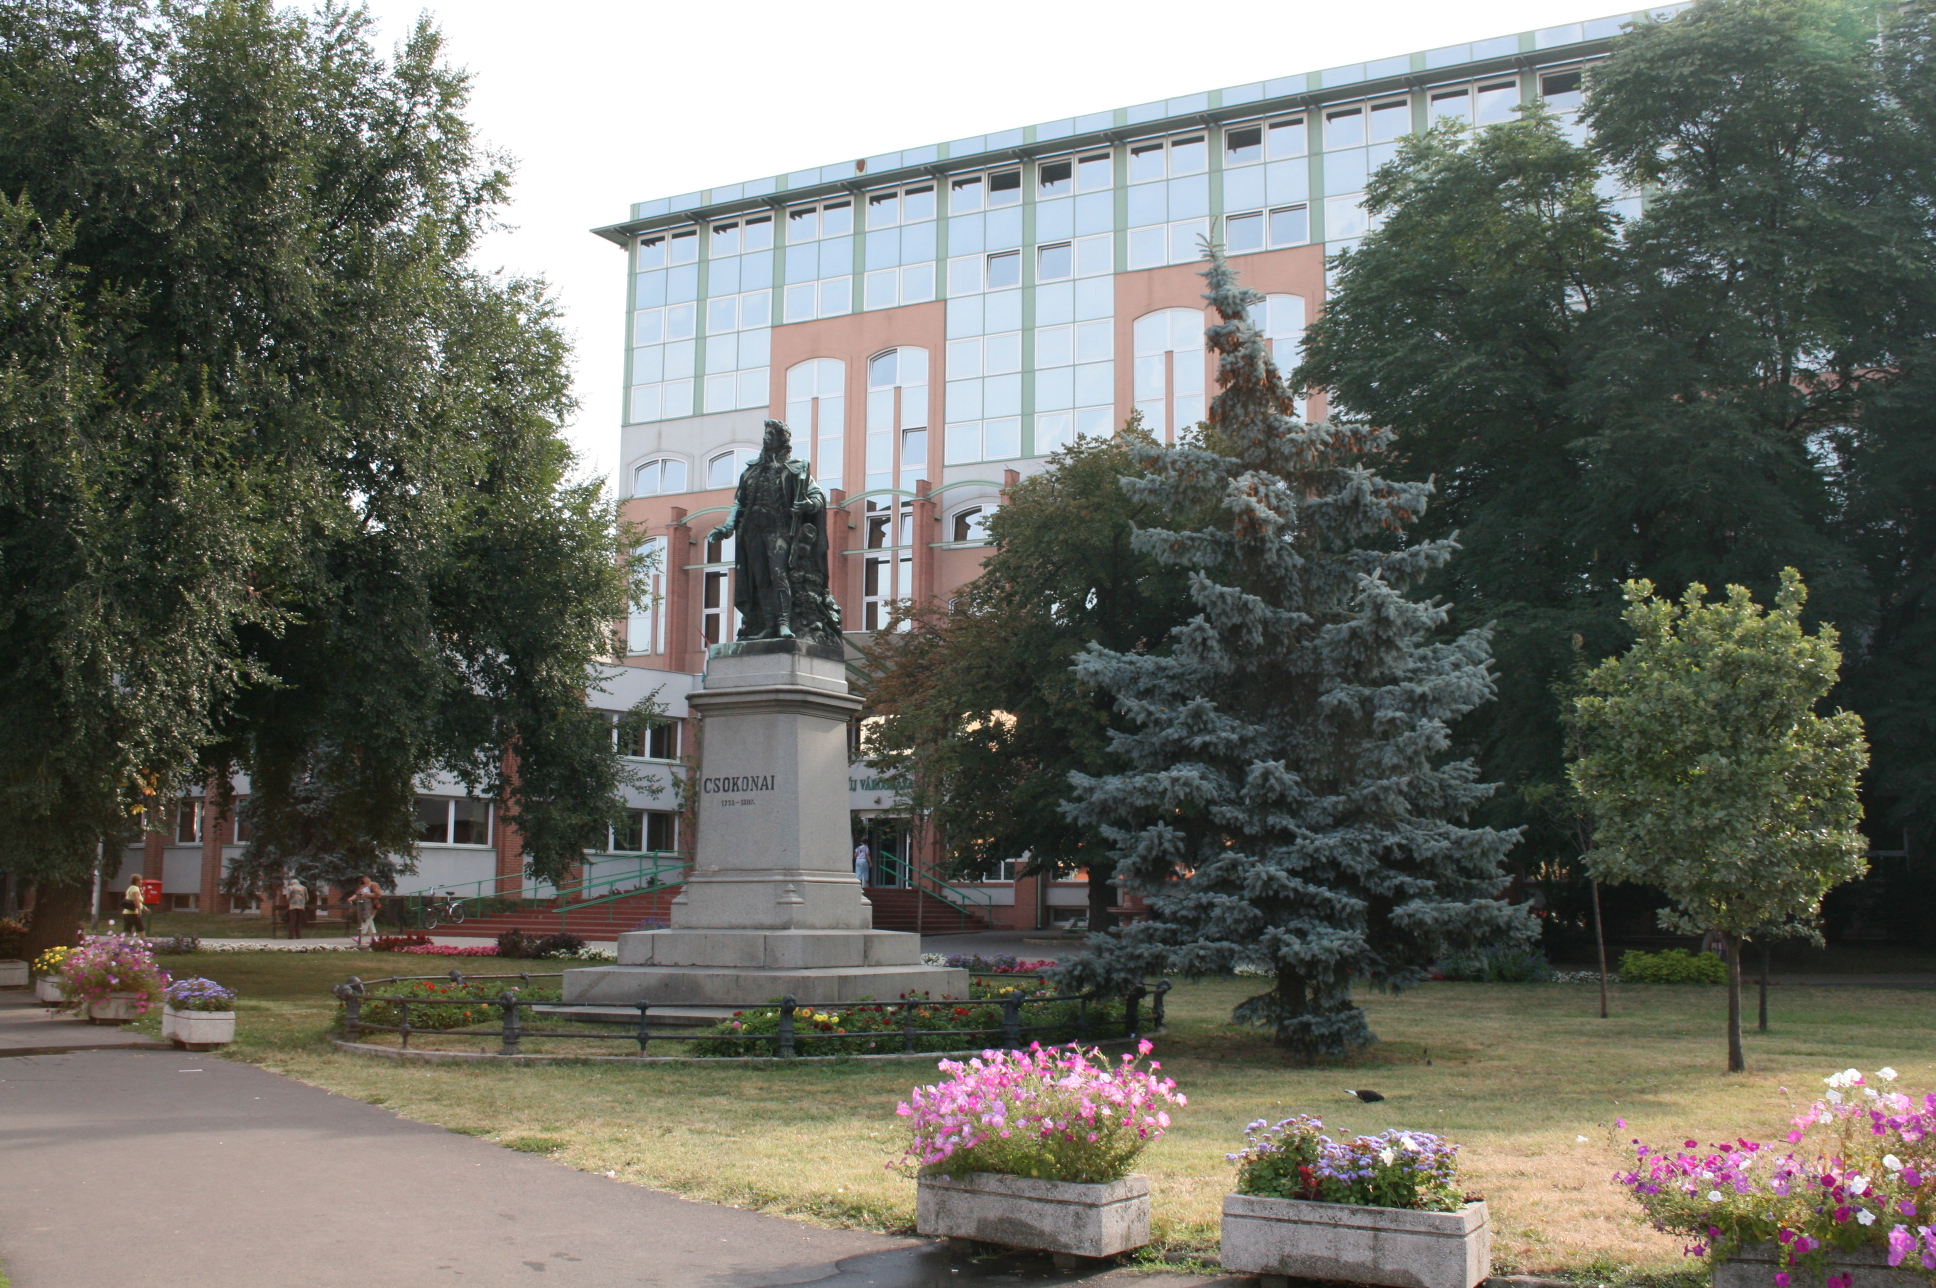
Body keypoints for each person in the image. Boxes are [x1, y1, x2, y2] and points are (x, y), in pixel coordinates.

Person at [350, 875, 381, 947]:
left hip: (371, 907)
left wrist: (368, 895)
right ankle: (374, 939)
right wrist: (350, 899)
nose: (364, 879)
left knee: (365, 920)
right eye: (362, 878)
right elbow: (357, 894)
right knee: (370, 923)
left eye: (365, 877)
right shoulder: (362, 886)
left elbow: (378, 894)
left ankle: (360, 936)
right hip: (363, 906)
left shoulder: (373, 884)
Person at [283, 875, 309, 940]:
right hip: (301, 907)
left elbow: (288, 897)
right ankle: (299, 935)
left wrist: (290, 901)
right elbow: (307, 898)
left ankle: (291, 936)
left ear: (292, 883)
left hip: (293, 906)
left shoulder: (291, 888)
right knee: (299, 921)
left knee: (292, 921)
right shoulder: (304, 888)